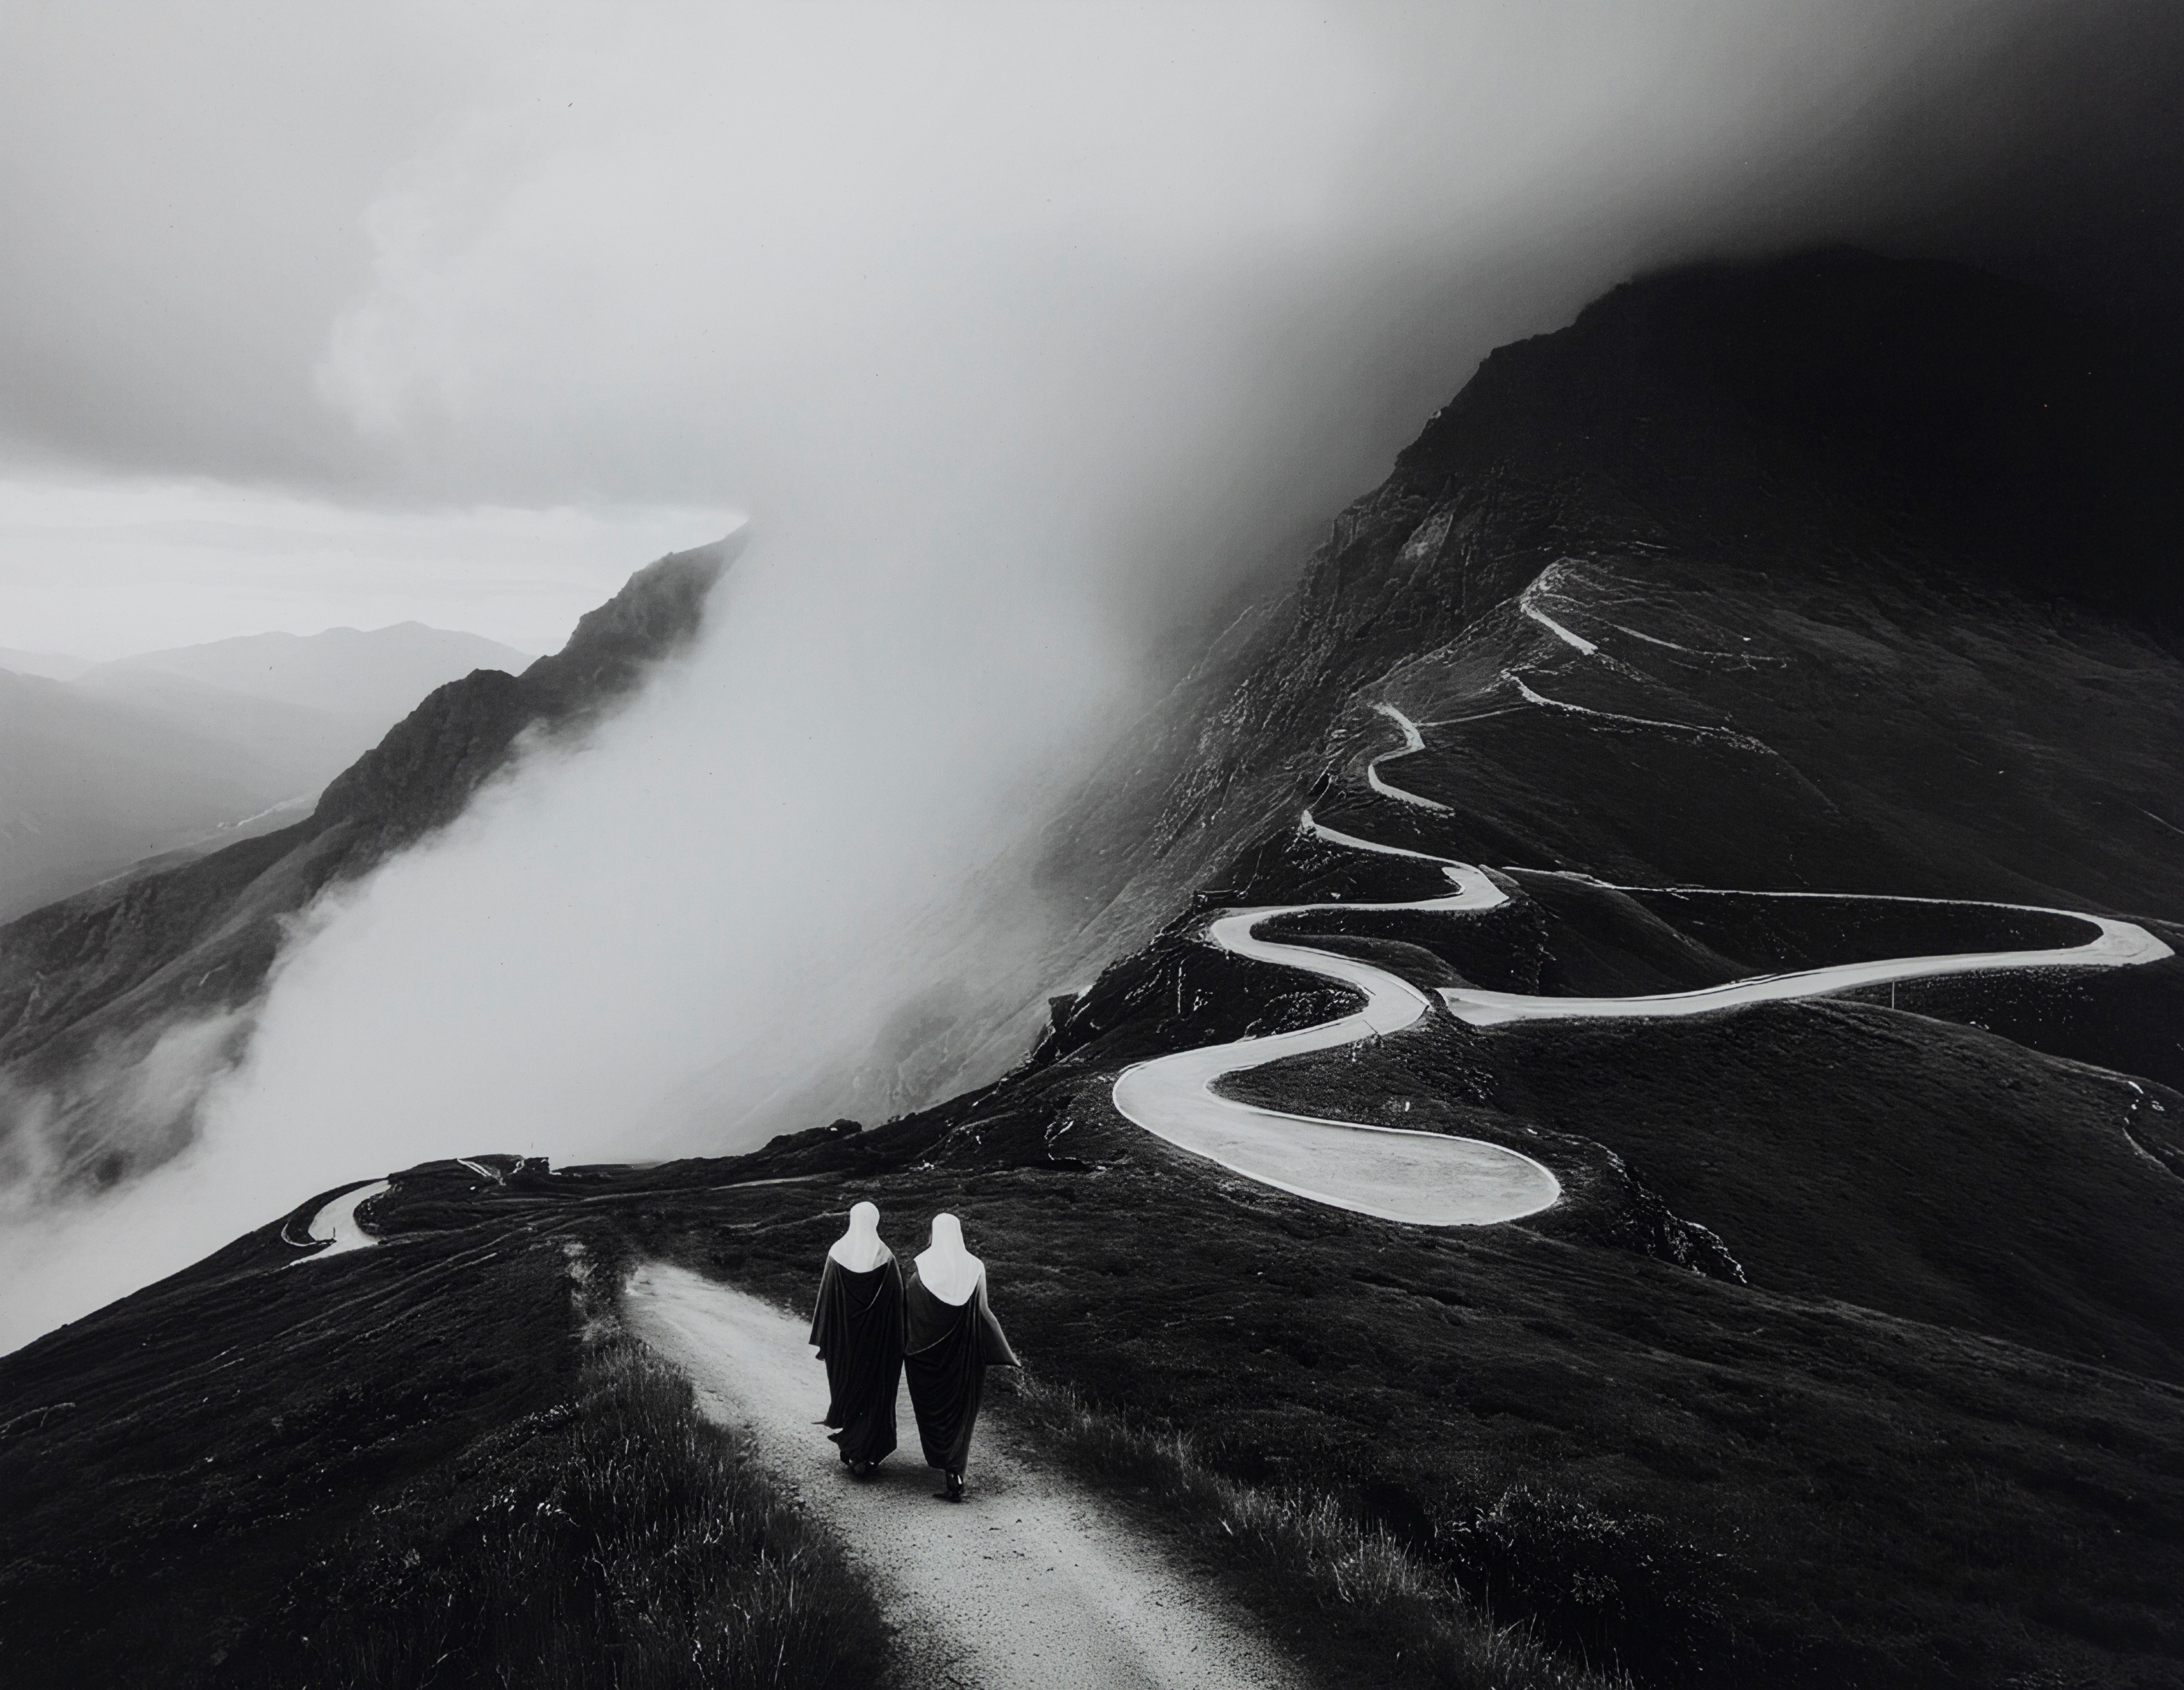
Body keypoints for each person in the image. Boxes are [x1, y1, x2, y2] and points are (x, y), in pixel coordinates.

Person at [903, 1212, 1019, 1502]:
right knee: (962, 1415)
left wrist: (910, 1350)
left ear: (934, 1234)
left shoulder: (921, 1271)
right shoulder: (975, 1268)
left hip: (928, 1362)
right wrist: (1006, 1353)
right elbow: (984, 1312)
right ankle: (955, 1473)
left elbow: (912, 1317)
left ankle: (944, 1461)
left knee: (934, 1412)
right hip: (966, 1360)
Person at [808, 1201, 904, 1477]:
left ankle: (854, 1448)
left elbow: (826, 1301)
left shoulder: (837, 1253)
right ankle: (863, 1452)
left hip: (844, 1345)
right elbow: (897, 1304)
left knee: (849, 1390)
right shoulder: (886, 1257)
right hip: (876, 1345)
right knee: (873, 1394)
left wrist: (826, 1338)